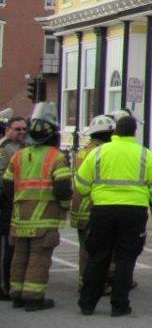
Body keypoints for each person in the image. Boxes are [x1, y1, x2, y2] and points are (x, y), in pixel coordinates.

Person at [75, 114, 152, 317]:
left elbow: (81, 185)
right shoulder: (145, 155)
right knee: (126, 259)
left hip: (102, 211)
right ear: (135, 132)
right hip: (133, 212)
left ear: (115, 131)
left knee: (98, 257)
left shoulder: (98, 153)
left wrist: (98, 192)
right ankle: (119, 305)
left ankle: (87, 303)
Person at [1, 106, 71, 311]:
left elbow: (6, 184)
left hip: (19, 216)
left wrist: (18, 200)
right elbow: (62, 187)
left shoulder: (18, 156)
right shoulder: (56, 157)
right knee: (39, 258)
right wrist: (65, 206)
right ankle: (34, 298)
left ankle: (17, 295)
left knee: (19, 256)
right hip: (44, 218)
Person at [70, 114, 115, 291]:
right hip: (95, 207)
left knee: (85, 248)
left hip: (79, 207)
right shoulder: (101, 152)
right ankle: (95, 283)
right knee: (98, 249)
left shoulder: (82, 151)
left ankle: (84, 281)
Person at [0, 114, 27, 301]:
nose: (22, 132)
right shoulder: (4, 149)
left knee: (15, 246)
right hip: (5, 201)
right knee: (7, 246)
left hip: (20, 201)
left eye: (24, 129)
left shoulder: (26, 147)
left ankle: (14, 284)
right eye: (18, 129)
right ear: (8, 129)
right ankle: (5, 286)